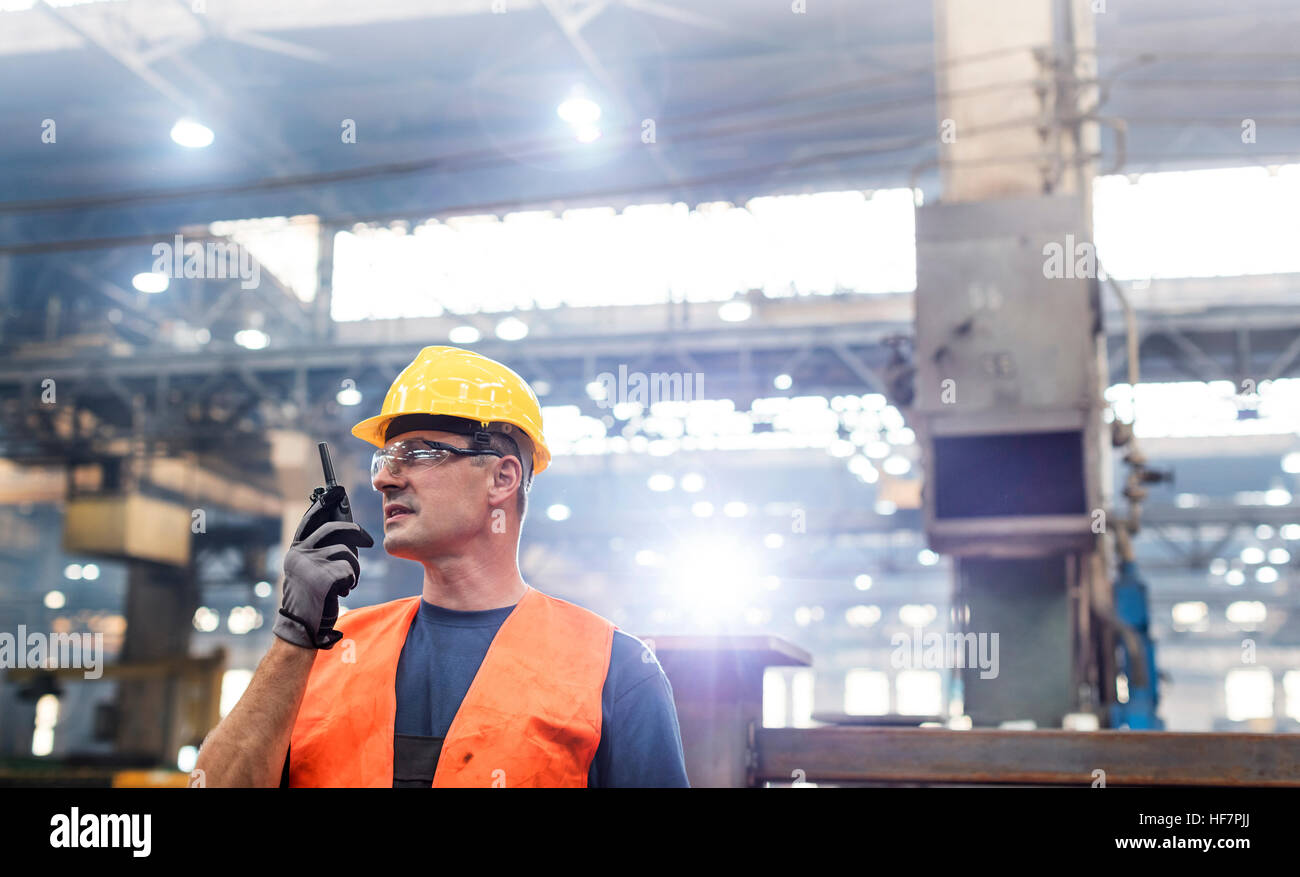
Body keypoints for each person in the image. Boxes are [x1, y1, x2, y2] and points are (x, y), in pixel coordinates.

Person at [195, 346, 689, 787]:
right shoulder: (326, 652)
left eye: (417, 454)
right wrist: (292, 636)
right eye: (385, 459)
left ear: (502, 478)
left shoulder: (611, 668)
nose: (385, 479)